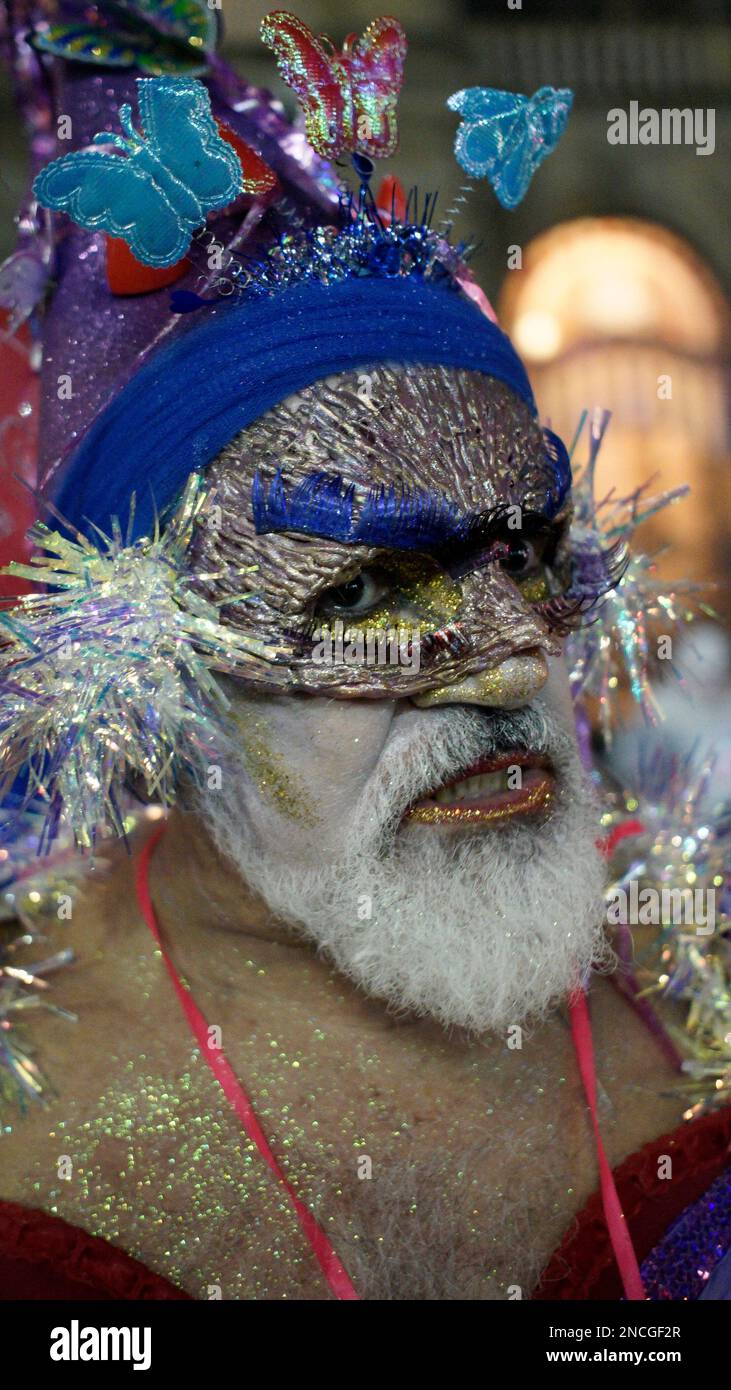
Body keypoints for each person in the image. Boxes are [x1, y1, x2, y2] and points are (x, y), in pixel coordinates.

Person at [0, 4, 729, 1302]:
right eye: (375, 583)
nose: (512, 660)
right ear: (153, 666)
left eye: (526, 555)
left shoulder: (701, 974)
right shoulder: (28, 1080)